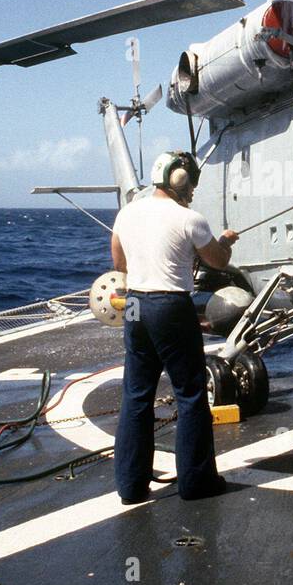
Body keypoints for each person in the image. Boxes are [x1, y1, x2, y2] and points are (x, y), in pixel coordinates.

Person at [109, 150, 239, 502]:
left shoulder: (127, 213)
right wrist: (225, 241)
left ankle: (131, 486)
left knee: (136, 394)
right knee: (190, 394)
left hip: (135, 304)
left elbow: (119, 261)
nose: (193, 190)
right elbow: (219, 261)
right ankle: (196, 483)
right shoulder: (190, 218)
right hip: (170, 306)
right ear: (180, 180)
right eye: (191, 183)